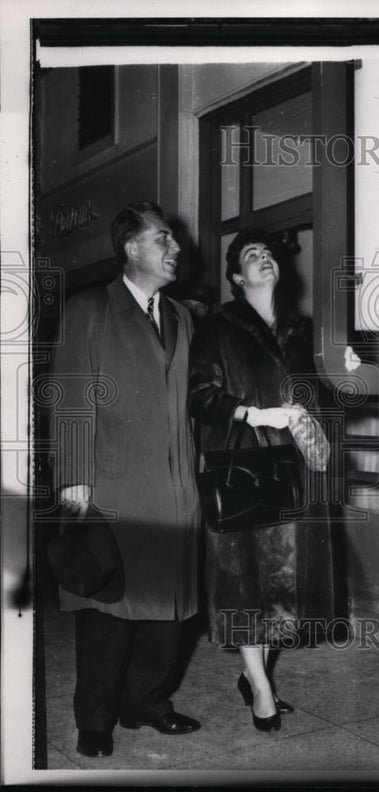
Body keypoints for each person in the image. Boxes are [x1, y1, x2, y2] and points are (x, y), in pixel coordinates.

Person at [50, 201, 201, 758]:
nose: (175, 248)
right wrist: (73, 476)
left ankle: (147, 704)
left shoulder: (183, 317)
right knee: (109, 610)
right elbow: (69, 396)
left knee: (169, 610)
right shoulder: (91, 307)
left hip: (177, 488)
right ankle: (95, 719)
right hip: (113, 486)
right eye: (164, 239)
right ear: (132, 247)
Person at [189, 228, 334, 733]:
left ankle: (255, 675)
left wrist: (342, 376)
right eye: (252, 255)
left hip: (291, 470)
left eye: (268, 253)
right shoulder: (218, 327)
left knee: (278, 586)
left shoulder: (303, 330)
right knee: (242, 583)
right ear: (236, 277)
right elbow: (200, 396)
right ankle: (263, 689)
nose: (264, 259)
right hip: (243, 466)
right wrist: (254, 415)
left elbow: (323, 398)